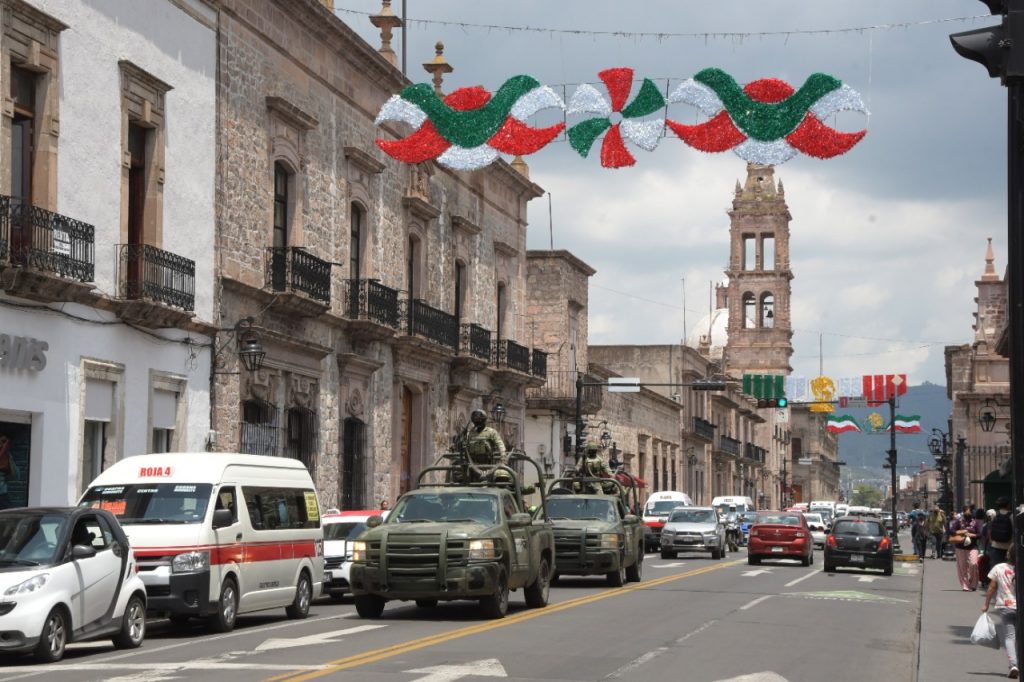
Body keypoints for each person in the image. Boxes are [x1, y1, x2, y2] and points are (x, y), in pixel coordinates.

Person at [983, 543, 1018, 678]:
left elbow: (991, 587)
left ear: (1008, 554)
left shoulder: (998, 568)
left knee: (1010, 637)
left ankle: (1013, 664)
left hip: (1005, 607)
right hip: (1019, 607)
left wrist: (986, 604)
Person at [950, 509, 982, 591]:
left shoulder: (975, 522)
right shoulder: (958, 521)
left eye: (969, 511)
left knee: (973, 564)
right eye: (966, 511)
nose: (968, 513)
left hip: (972, 547)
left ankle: (973, 584)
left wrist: (972, 535)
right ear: (963, 513)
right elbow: (951, 531)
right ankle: (965, 585)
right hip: (960, 547)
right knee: (962, 567)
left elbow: (980, 534)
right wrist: (961, 531)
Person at [989, 497, 1014, 570]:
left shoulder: (994, 514)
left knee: (996, 570)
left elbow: (990, 530)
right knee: (1008, 570)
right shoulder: (1011, 516)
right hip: (1008, 547)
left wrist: (991, 542)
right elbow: (1014, 531)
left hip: (995, 546)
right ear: (1008, 505)